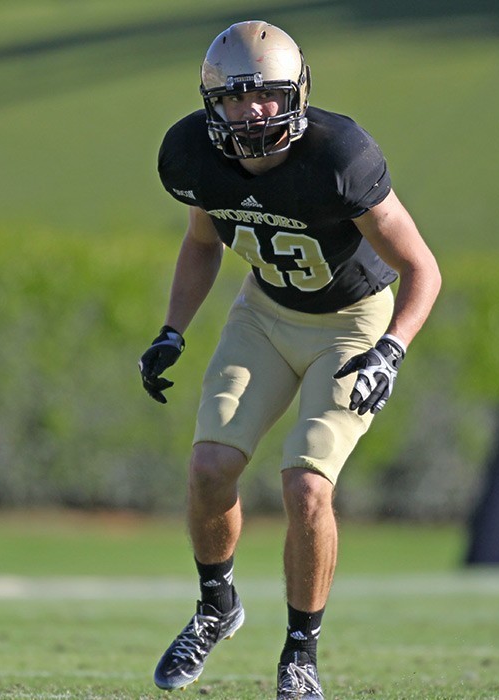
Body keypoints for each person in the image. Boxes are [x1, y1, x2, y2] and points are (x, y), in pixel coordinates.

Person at [139, 20, 442, 700]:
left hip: (352, 324)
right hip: (265, 313)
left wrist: (390, 350)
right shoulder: (193, 155)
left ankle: (301, 653)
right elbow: (202, 242)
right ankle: (216, 607)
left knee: (307, 487)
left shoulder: (340, 156)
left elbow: (422, 268)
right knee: (209, 467)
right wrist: (172, 330)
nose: (254, 112)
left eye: (268, 96)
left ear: (297, 95)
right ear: (212, 104)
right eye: (236, 98)